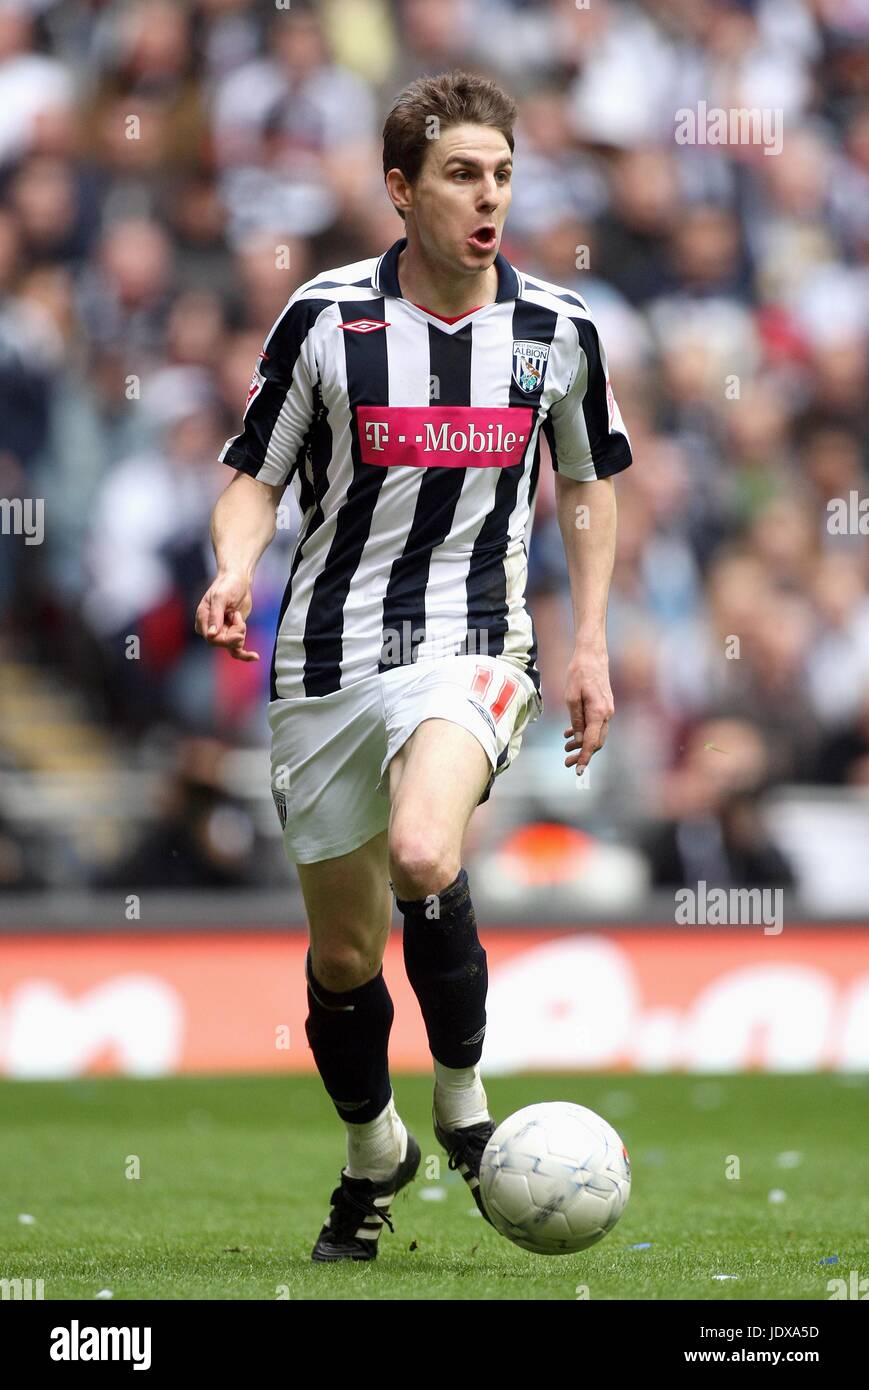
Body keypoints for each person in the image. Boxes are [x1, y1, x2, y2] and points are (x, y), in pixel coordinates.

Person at [194, 70, 632, 1261]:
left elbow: (588, 488)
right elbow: (253, 478)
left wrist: (587, 639)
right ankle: (372, 1149)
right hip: (327, 659)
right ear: (399, 190)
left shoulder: (555, 329)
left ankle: (461, 1104)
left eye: (499, 174)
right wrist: (234, 567)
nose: (486, 197)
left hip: (473, 644)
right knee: (341, 957)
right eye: (458, 174)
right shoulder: (328, 320)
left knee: (427, 850)